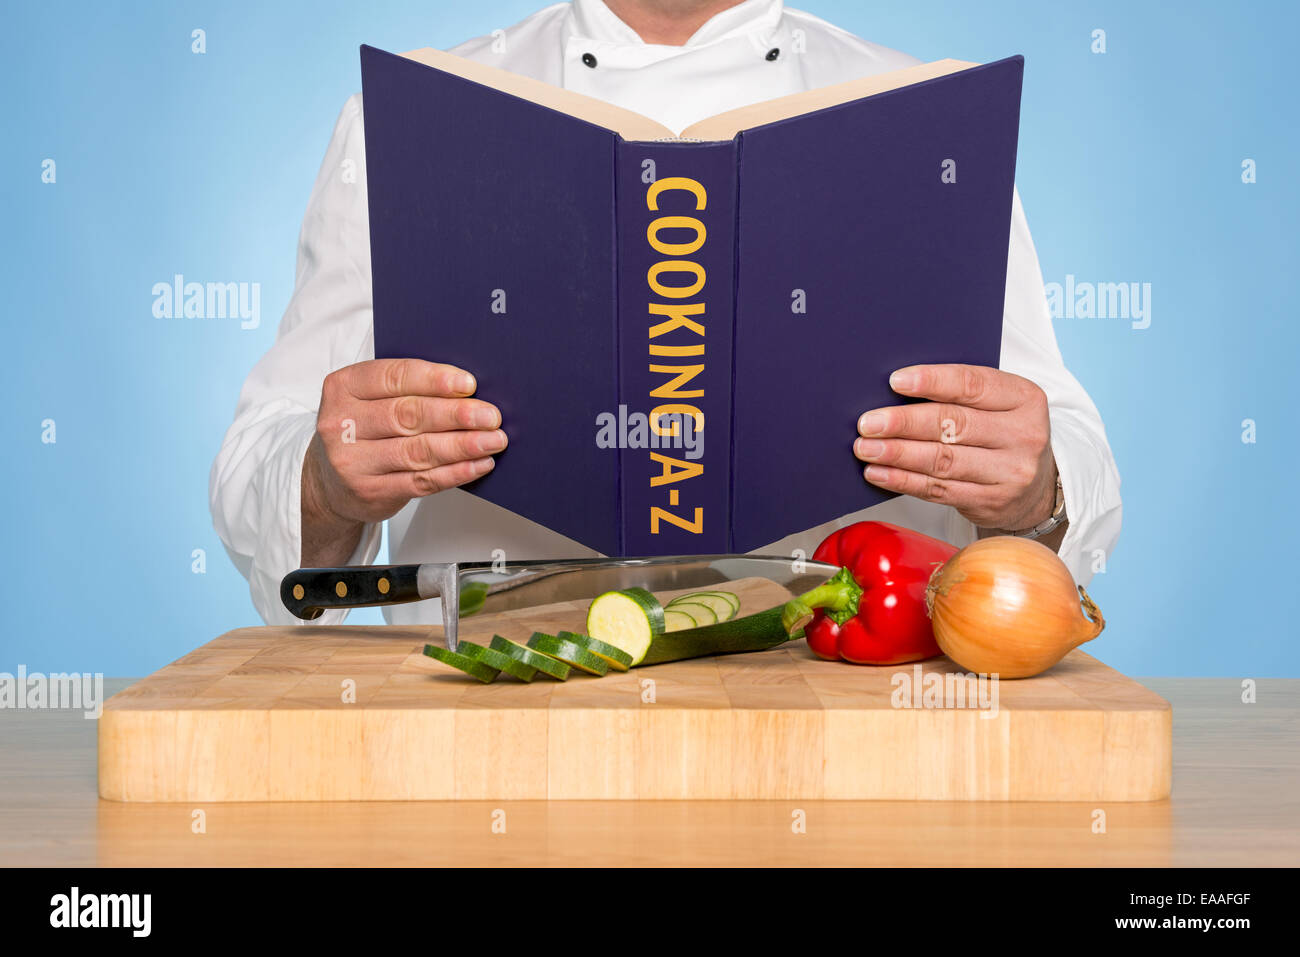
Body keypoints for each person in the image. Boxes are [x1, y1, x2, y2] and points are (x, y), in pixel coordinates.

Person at [211, 0, 1121, 626]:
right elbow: (263, 466)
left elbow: (1065, 453)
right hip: (489, 711)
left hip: (852, 710)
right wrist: (327, 484)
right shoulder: (401, 121)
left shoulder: (925, 119)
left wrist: (1035, 492)